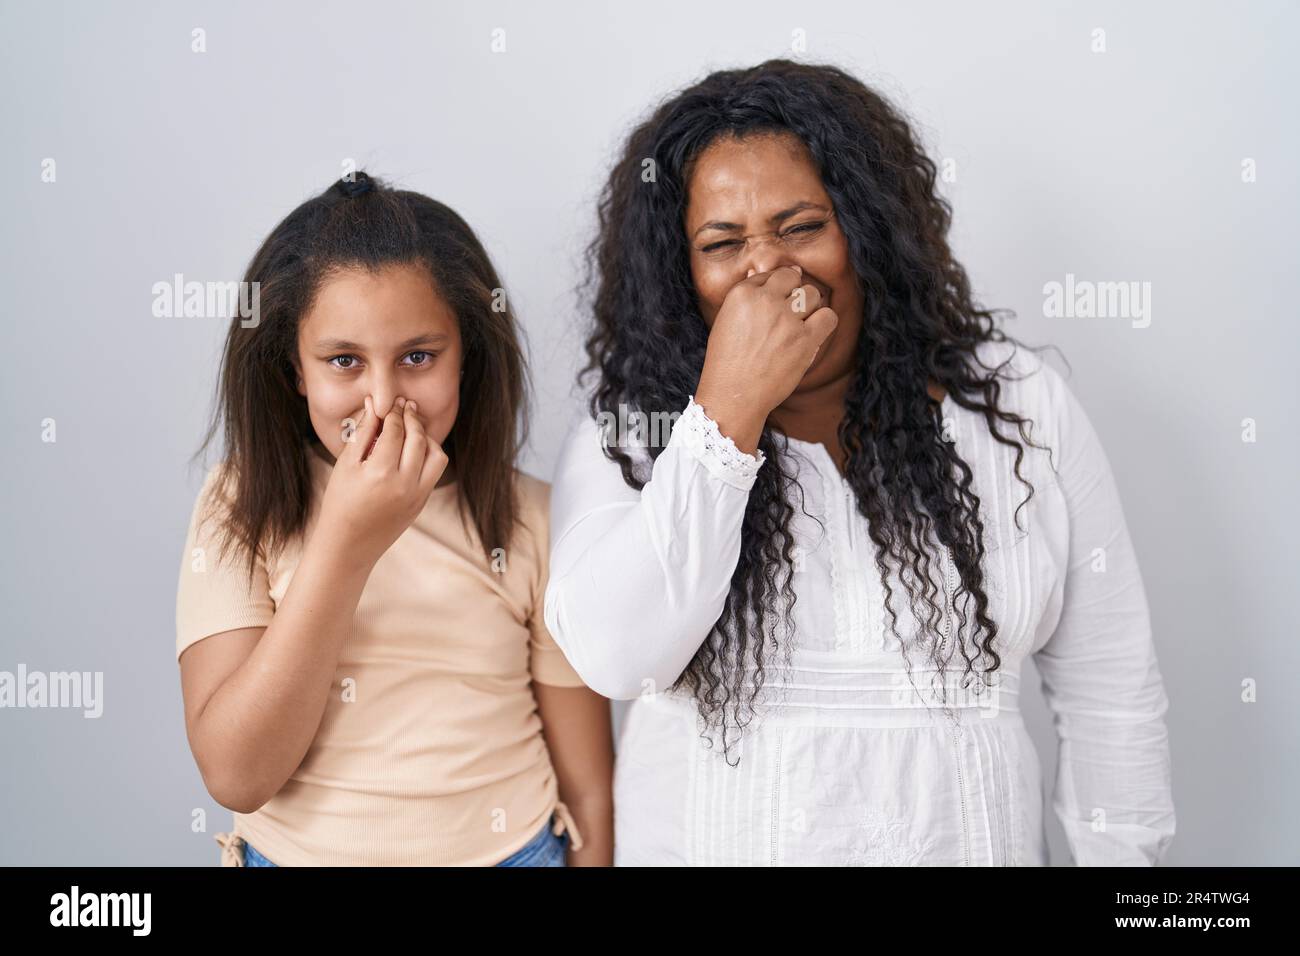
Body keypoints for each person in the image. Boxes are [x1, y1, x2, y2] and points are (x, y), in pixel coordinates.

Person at [544, 59, 1174, 865]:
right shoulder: (636, 432)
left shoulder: (1017, 404)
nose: (769, 268)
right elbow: (614, 657)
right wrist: (727, 413)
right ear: (681, 275)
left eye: (802, 226)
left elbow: (1111, 697)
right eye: (722, 243)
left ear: (867, 231)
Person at [175, 171, 613, 866]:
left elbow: (589, 789)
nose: (382, 401)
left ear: (466, 357)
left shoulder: (530, 517)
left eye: (417, 357)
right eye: (343, 360)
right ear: (294, 367)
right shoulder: (240, 502)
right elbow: (237, 774)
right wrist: (347, 541)